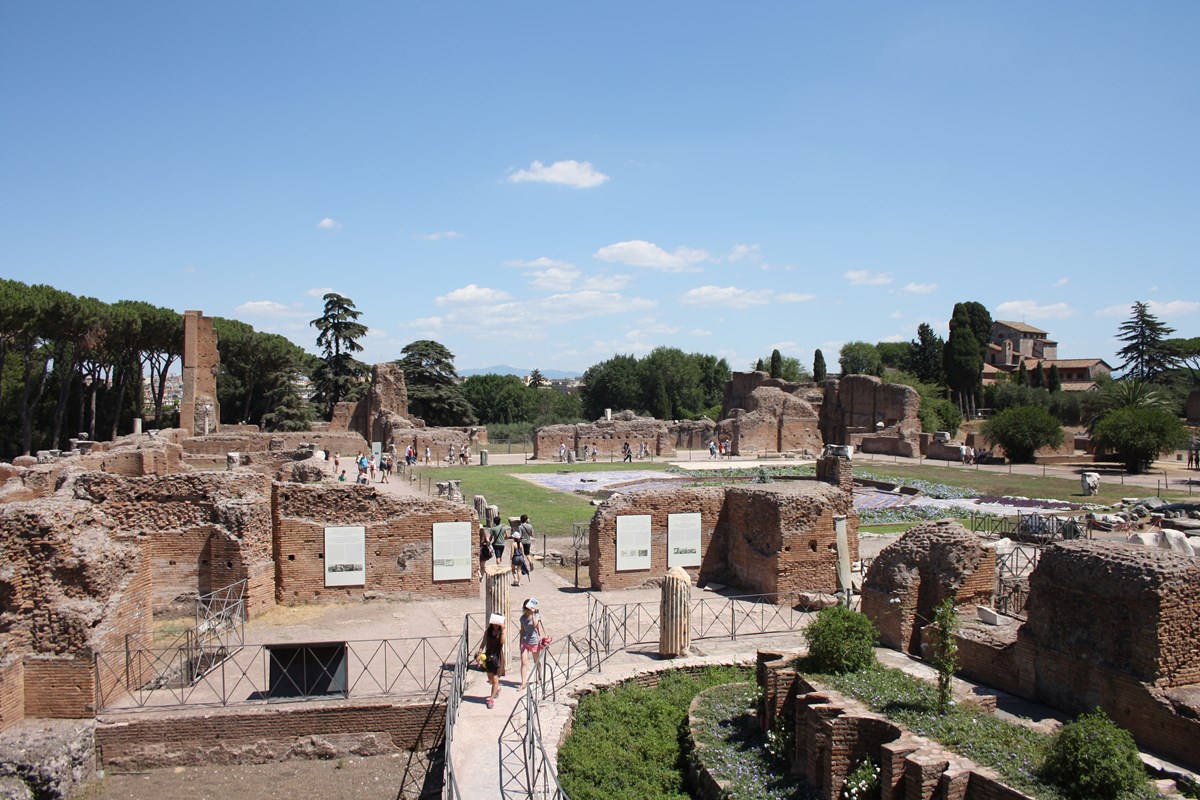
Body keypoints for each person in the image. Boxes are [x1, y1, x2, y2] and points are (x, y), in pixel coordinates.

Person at [518, 598, 548, 691]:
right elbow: (522, 630)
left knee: (536, 661)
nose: (528, 611)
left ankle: (540, 676)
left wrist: (534, 613)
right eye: (527, 609)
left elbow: (535, 625)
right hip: (525, 641)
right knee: (524, 662)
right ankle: (523, 682)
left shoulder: (536, 615)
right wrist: (520, 642)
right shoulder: (522, 618)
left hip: (534, 641)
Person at [481, 613, 506, 709]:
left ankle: (491, 699)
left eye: (497, 623)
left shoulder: (502, 631)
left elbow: (502, 642)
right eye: (494, 623)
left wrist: (503, 629)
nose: (495, 625)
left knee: (495, 679)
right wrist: (479, 651)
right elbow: (484, 641)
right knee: (490, 678)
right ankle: (497, 689)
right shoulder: (488, 631)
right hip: (488, 656)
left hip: (497, 657)